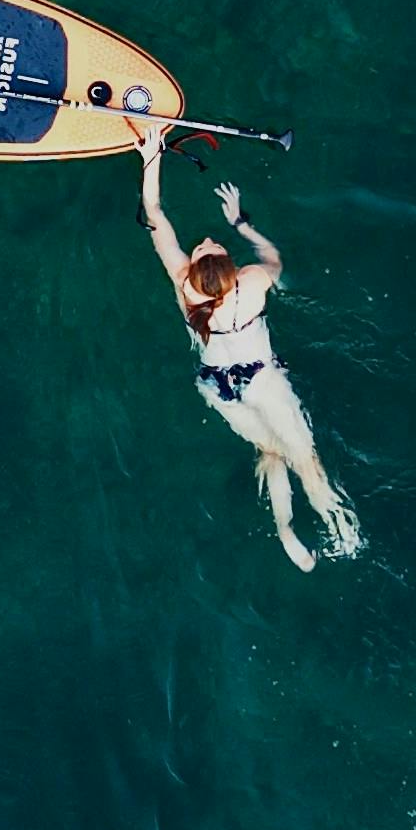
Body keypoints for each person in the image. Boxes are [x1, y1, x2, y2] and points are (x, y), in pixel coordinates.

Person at [136, 124, 360, 572]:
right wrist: (241, 224)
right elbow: (275, 259)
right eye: (210, 246)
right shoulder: (253, 283)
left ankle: (285, 529)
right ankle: (341, 530)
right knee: (305, 459)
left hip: (216, 386)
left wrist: (150, 156)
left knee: (271, 452)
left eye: (203, 247)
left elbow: (154, 212)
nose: (204, 242)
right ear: (231, 271)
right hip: (259, 379)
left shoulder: (184, 287)